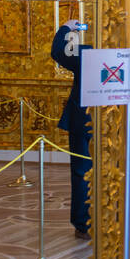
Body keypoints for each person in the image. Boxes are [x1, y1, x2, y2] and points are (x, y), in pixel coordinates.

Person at [51, 18, 92, 239]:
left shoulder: (87, 55)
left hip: (82, 119)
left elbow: (58, 51)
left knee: (81, 171)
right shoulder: (129, 56)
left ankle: (83, 223)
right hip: (114, 120)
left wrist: (67, 27)